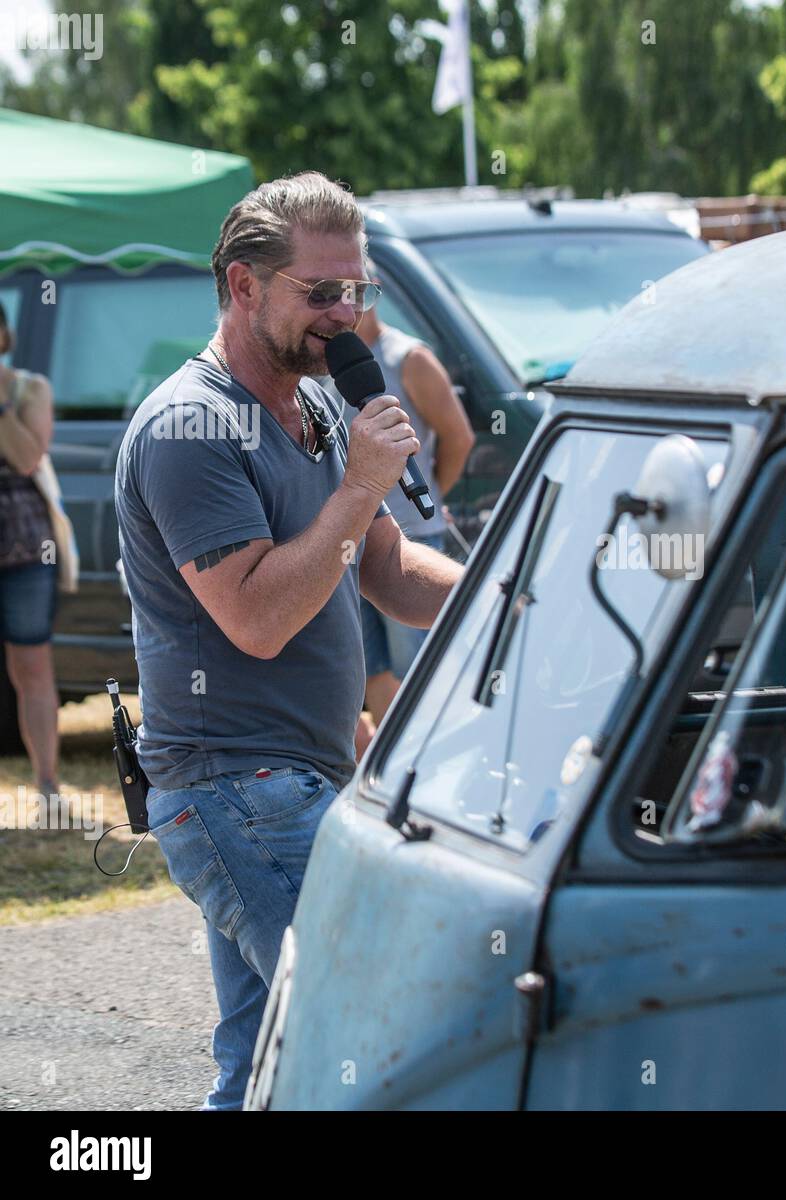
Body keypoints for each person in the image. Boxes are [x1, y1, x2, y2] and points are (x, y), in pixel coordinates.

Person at [114, 171, 463, 1110]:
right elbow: (257, 618)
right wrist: (358, 489)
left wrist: (505, 595)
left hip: (294, 780)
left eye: (358, 291)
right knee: (373, 1025)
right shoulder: (191, 426)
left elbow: (384, 570)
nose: (345, 313)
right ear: (243, 286)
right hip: (234, 786)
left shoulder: (313, 408)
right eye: (321, 291)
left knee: (263, 1064)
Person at [346, 270, 473, 757]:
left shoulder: (409, 359)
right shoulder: (324, 364)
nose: (350, 304)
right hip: (350, 538)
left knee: (419, 666)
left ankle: (433, 760)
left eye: (360, 290)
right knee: (373, 667)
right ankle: (396, 761)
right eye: (335, 291)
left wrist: (431, 497)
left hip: (413, 539)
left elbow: (458, 436)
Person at [0, 300, 62, 811]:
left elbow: (26, 457)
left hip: (23, 544)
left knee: (32, 666)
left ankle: (46, 785)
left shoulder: (29, 388)